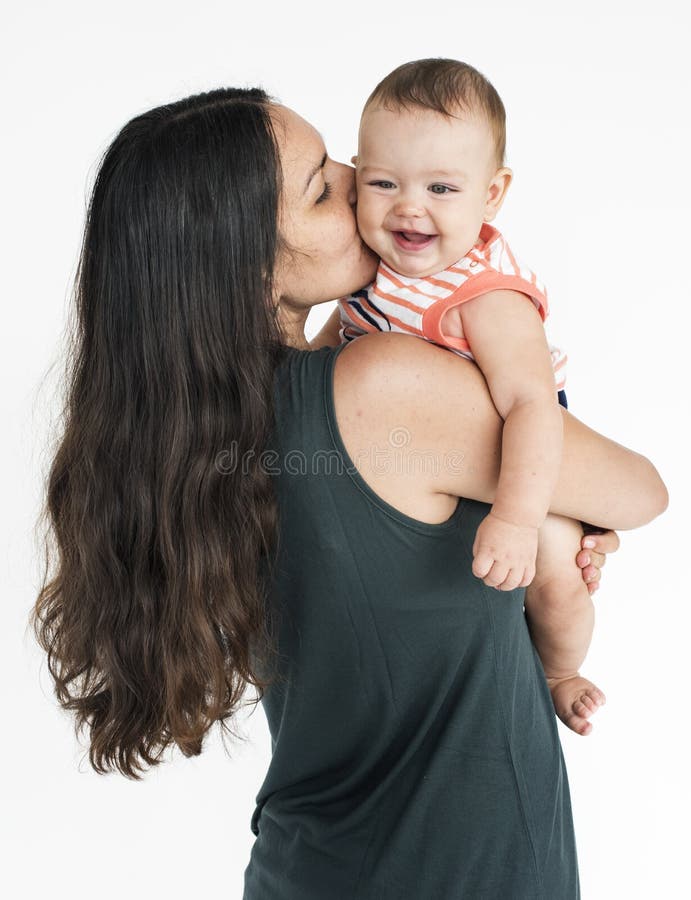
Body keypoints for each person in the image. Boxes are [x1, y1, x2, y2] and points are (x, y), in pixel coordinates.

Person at [31, 87, 667, 899]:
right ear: (250, 267)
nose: (359, 179)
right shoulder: (382, 383)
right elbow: (640, 492)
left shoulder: (186, 448)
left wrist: (535, 504)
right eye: (322, 188)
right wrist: (555, 509)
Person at [333, 58, 613, 735]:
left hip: (523, 448)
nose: (409, 207)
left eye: (441, 188)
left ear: (491, 195)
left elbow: (530, 406)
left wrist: (517, 517)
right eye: (383, 183)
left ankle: (560, 671)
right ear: (356, 177)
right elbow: (330, 347)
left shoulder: (481, 293)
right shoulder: (369, 267)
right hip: (427, 458)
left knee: (556, 572)